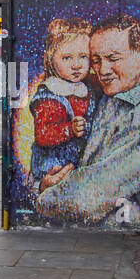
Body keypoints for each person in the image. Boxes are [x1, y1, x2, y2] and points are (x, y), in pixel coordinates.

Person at [34, 14, 140, 227]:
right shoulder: (114, 94)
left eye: (113, 58)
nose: (103, 70)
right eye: (96, 61)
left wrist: (44, 193)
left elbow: (87, 197)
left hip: (125, 238)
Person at [29, 18, 95, 181]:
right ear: (51, 58)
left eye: (83, 57)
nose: (76, 65)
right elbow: (43, 135)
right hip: (54, 168)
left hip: (77, 167)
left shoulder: (87, 87)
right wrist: (70, 130)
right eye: (67, 58)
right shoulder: (51, 94)